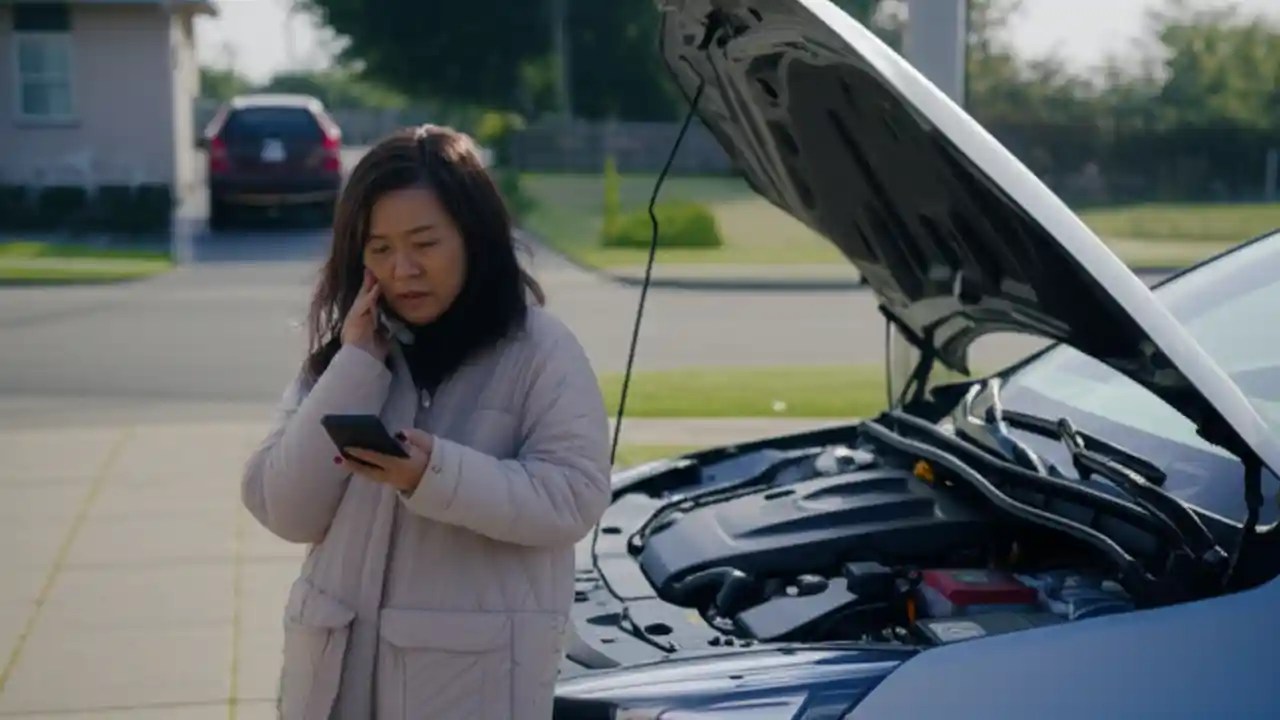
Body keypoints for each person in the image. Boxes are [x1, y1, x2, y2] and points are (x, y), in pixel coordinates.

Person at [241, 124, 612, 720]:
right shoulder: (352, 352)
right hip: (333, 686)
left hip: (469, 688)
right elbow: (284, 509)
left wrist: (431, 475)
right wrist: (355, 365)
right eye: (380, 248)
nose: (403, 269)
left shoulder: (540, 350)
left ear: (474, 237)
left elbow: (575, 497)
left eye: (424, 243)